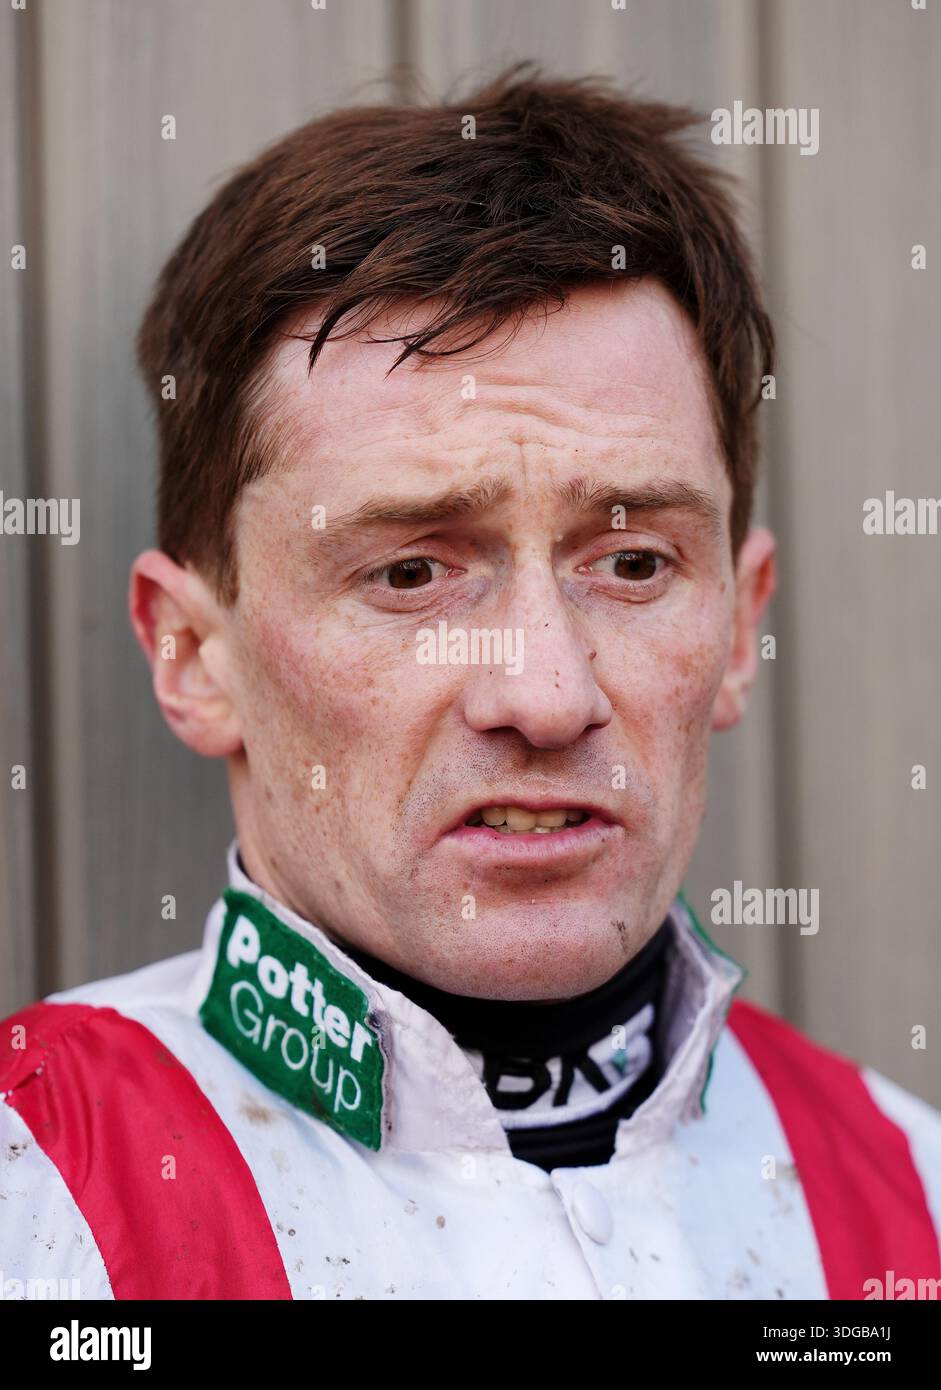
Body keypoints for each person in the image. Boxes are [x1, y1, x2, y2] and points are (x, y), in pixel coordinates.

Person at [2, 63, 938, 1302]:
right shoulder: (38, 1188)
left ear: (733, 628)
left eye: (634, 561)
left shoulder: (904, 1190)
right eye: (408, 572)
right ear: (191, 653)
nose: (545, 697)